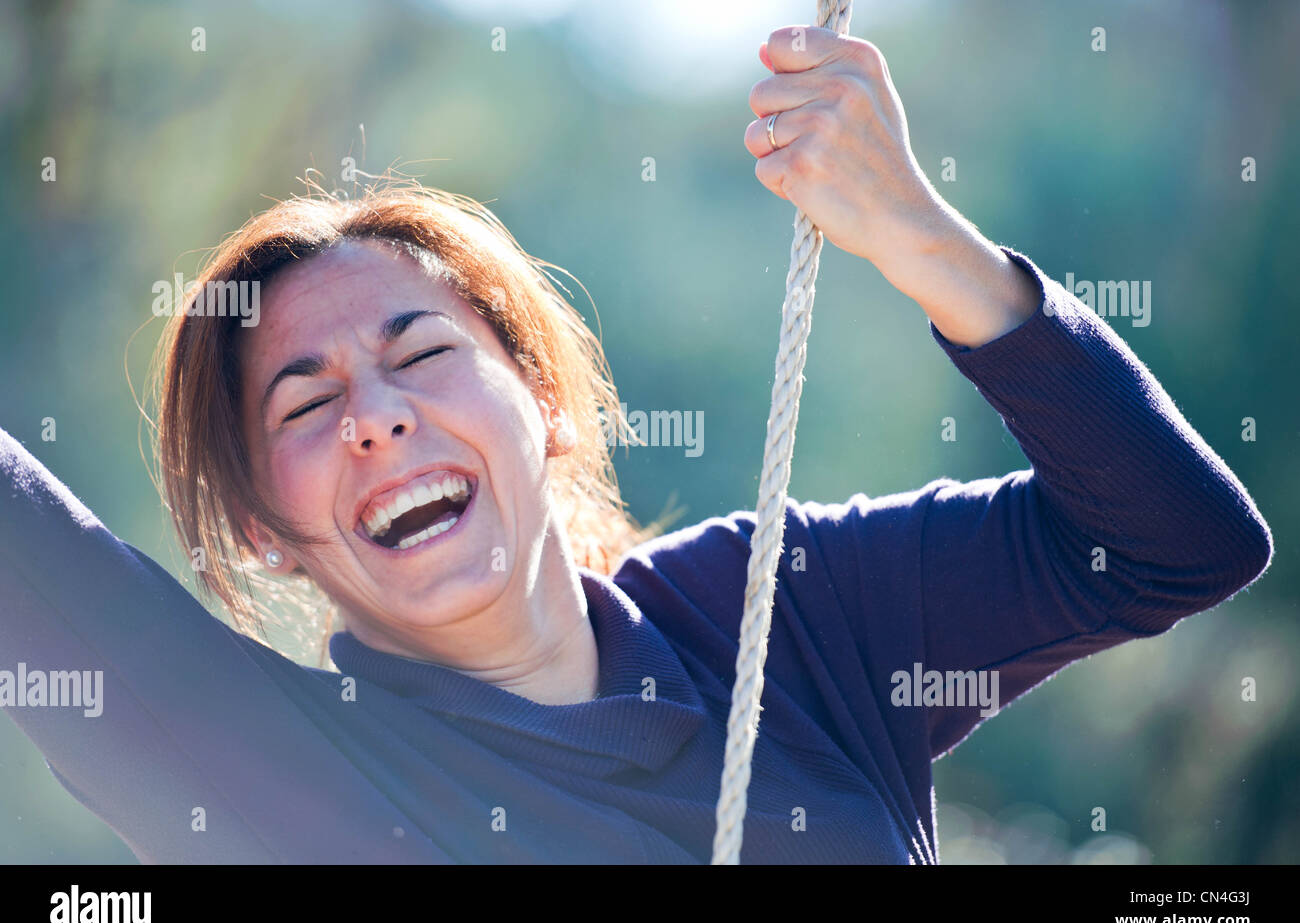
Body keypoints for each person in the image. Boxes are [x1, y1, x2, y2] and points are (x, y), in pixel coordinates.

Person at [0, 27, 1271, 863]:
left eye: (423, 353)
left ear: (543, 401)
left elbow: (1174, 544)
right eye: (303, 403)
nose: (376, 414)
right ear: (266, 535)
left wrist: (918, 237)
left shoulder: (786, 617)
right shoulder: (269, 765)